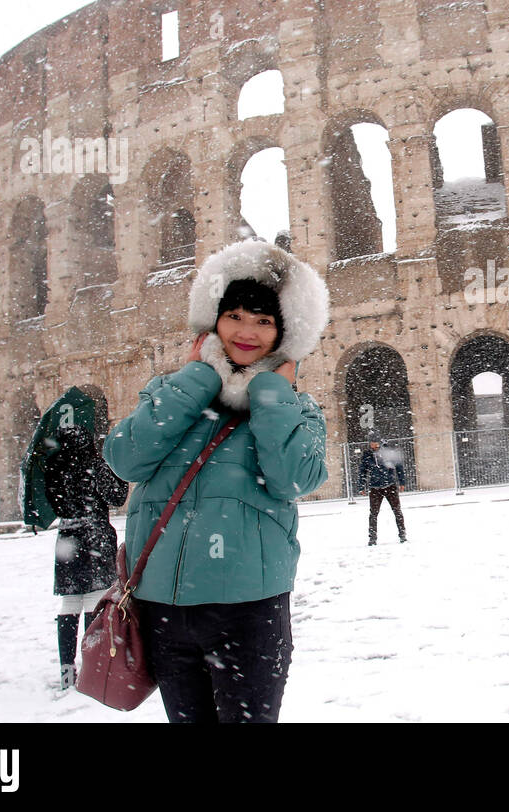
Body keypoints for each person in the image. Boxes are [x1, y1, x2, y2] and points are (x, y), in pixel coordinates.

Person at [103, 238, 329, 723]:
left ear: (284, 334)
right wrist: (199, 378)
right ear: (213, 320)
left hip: (248, 612)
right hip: (163, 609)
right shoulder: (171, 391)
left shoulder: (297, 408)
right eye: (235, 316)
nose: (247, 331)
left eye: (264, 321)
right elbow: (126, 458)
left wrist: (271, 388)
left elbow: (294, 479)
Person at [44, 422, 129, 689]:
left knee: (69, 604)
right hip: (94, 536)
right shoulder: (94, 464)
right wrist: (117, 473)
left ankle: (67, 671)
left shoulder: (54, 467)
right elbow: (116, 496)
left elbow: (54, 502)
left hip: (67, 537)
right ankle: (92, 664)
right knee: (94, 600)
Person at [359, 436, 407, 545]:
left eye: (375, 443)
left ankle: (402, 534)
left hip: (390, 485)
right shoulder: (367, 455)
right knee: (373, 513)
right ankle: (372, 538)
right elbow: (363, 471)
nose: (373, 445)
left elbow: (399, 467)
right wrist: (362, 486)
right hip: (375, 487)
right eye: (371, 443)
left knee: (397, 511)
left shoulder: (387, 453)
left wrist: (402, 482)